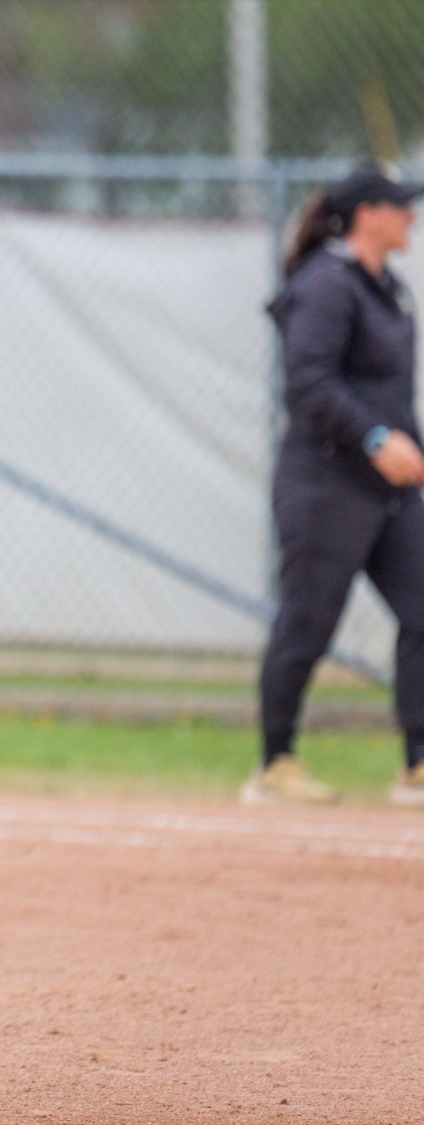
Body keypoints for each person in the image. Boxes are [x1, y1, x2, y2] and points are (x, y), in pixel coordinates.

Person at [249, 162, 424, 807]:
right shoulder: (327, 284)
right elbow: (310, 384)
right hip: (326, 483)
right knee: (308, 621)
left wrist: (410, 449)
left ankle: (419, 764)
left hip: (389, 492)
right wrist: (376, 440)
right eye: (400, 205)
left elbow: (391, 396)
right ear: (367, 214)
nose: (411, 216)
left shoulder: (389, 290)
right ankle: (276, 762)